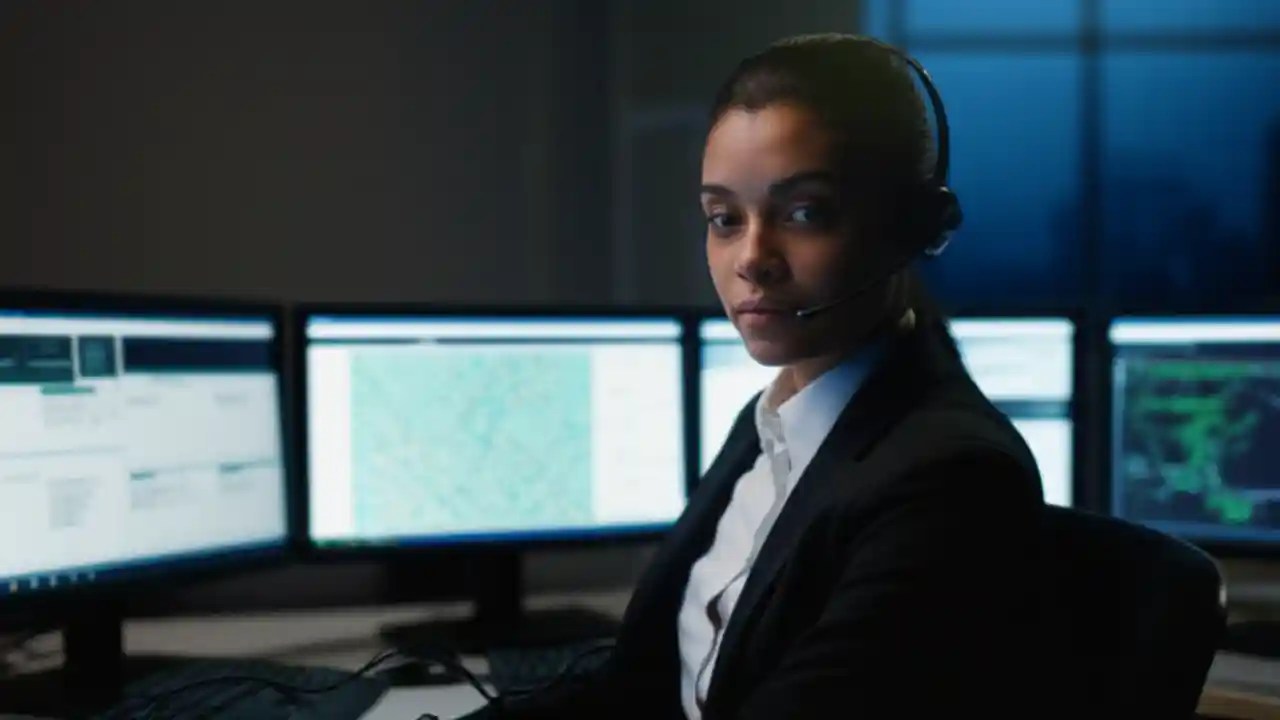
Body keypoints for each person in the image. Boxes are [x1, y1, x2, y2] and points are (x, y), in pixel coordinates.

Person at [465, 33, 1045, 719]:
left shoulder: (952, 476)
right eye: (724, 218)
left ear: (911, 226)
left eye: (805, 213)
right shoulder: (773, 421)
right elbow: (640, 675)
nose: (751, 258)